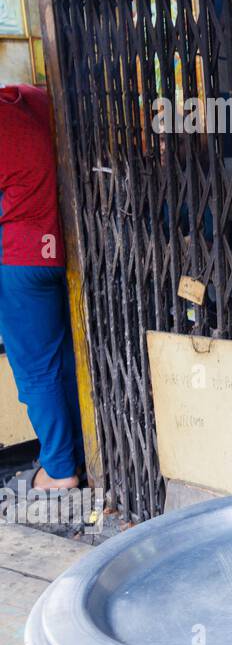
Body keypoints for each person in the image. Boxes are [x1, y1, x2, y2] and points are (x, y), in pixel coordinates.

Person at [0, 84, 85, 492]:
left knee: (35, 369)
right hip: (61, 247)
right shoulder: (32, 98)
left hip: (19, 257)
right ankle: (81, 452)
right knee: (64, 360)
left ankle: (59, 469)